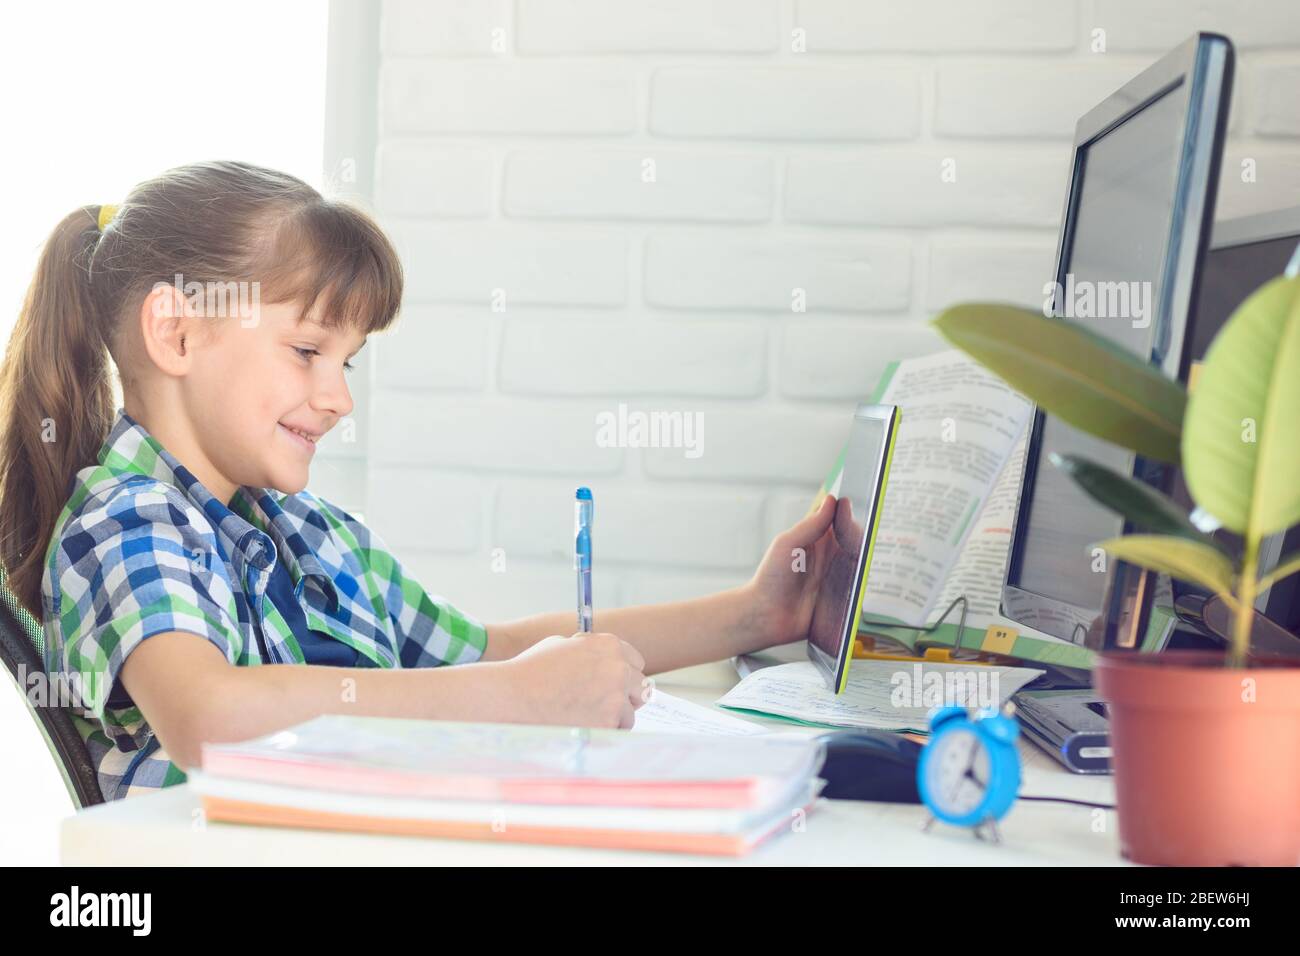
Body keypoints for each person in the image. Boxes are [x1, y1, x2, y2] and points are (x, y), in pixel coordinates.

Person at [0, 161, 838, 800]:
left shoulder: (316, 538)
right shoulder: (125, 522)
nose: (339, 398)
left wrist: (760, 613)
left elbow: (495, 652)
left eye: (348, 361)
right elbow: (207, 714)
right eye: (307, 352)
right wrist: (512, 697)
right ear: (176, 334)